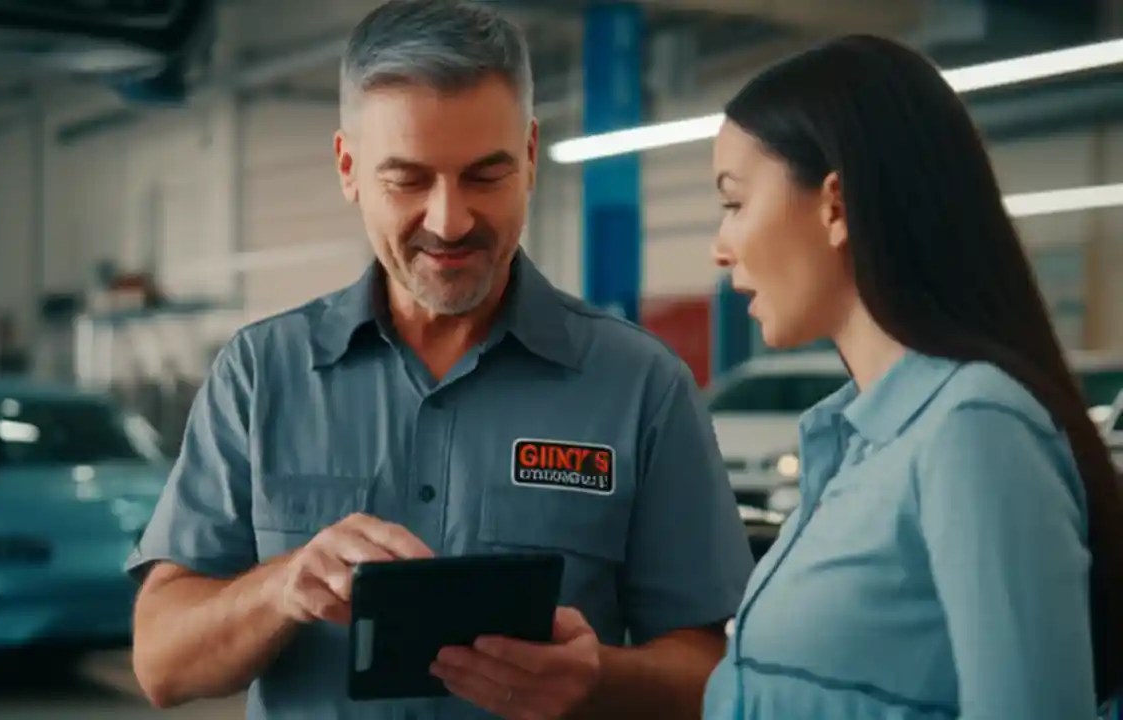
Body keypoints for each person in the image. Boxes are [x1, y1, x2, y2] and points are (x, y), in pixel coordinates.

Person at [127, 1, 753, 718]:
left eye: (484, 176)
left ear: (527, 158)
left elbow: (715, 674)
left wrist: (599, 678)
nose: (449, 221)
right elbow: (161, 661)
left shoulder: (641, 388)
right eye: (409, 180)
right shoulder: (260, 375)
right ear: (348, 168)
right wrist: (282, 585)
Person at [703, 34, 1123, 719]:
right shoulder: (848, 438)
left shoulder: (972, 430)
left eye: (734, 202)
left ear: (835, 206)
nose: (721, 248)